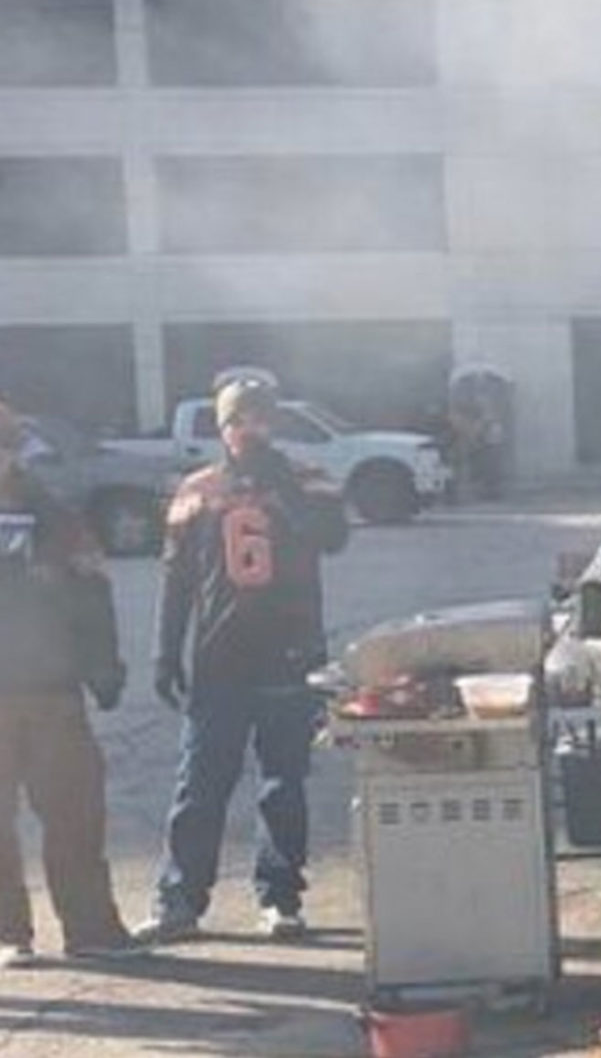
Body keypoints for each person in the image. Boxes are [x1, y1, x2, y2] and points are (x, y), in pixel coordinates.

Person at [137, 378, 349, 944]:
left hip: (289, 656)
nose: (250, 430)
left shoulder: (305, 478)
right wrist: (165, 651)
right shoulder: (199, 489)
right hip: (219, 661)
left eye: (260, 419)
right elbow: (176, 579)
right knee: (201, 784)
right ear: (223, 428)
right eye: (239, 421)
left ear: (273, 424)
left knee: (283, 784)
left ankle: (280, 897)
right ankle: (181, 898)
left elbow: (334, 537)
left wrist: (284, 494)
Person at [0, 401, 145, 967]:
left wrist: (104, 667)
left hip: (53, 693)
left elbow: (94, 595)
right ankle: (9, 933)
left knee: (76, 814)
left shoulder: (55, 517)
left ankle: (90, 929)